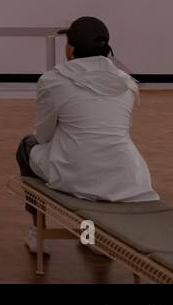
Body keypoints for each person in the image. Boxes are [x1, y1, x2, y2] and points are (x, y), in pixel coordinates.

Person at [17, 16, 158, 256]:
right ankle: (96, 236)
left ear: (70, 49)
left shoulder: (53, 80)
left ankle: (37, 233)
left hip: (75, 172)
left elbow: (43, 135)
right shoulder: (127, 83)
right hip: (127, 175)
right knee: (98, 158)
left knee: (26, 147)